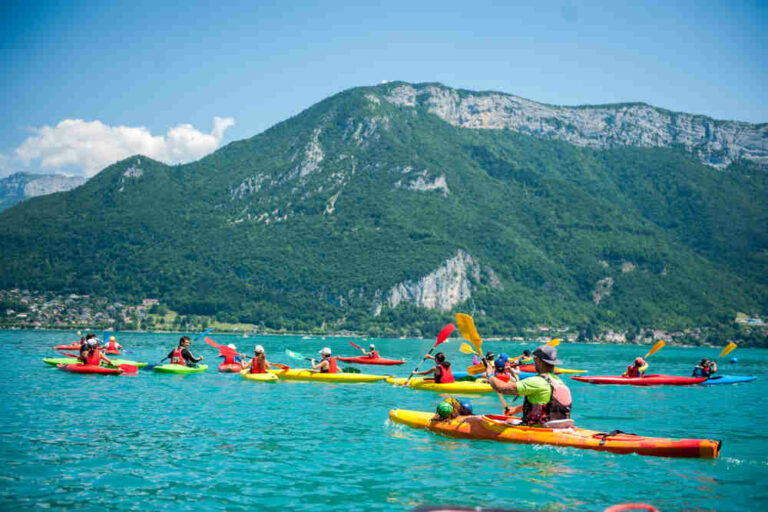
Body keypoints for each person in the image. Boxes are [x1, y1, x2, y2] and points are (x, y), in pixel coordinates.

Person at [489, 345, 572, 425]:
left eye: (535, 359)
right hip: (561, 426)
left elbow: (501, 388)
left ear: (538, 361)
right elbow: (546, 404)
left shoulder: (535, 381)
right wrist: (516, 409)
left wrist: (490, 375)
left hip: (539, 428)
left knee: (509, 421)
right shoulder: (559, 382)